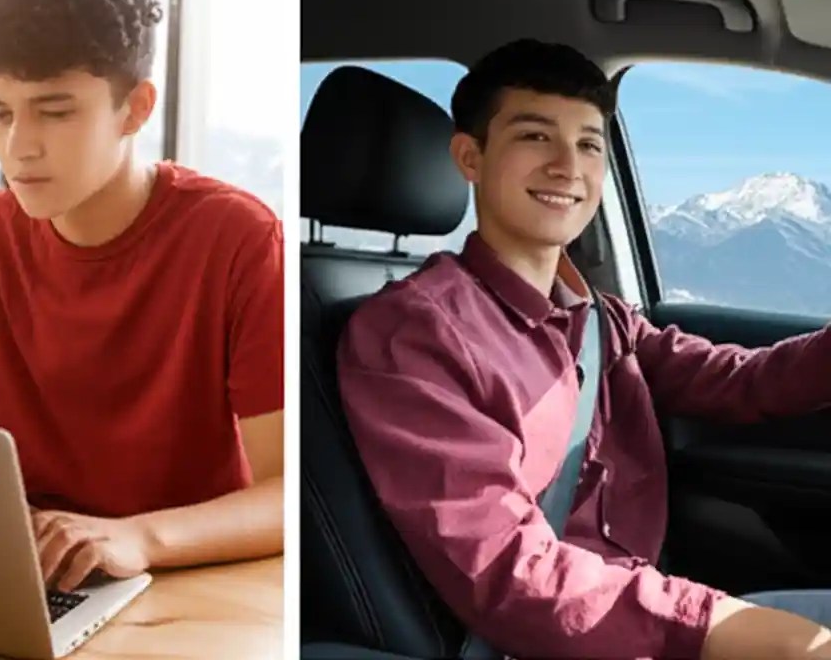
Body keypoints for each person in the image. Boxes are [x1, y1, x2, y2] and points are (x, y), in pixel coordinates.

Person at [337, 38, 831, 660]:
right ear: (470, 156)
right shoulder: (414, 335)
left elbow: (741, 383)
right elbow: (507, 568)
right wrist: (710, 625)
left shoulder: (602, 318)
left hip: (642, 612)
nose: (568, 166)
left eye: (590, 144)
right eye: (535, 137)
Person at [0, 0, 283, 594]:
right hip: (35, 572)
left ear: (136, 109)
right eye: (0, 113)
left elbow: (288, 495)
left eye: (56, 110)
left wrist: (136, 537)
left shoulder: (238, 239)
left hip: (192, 579)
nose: (20, 146)